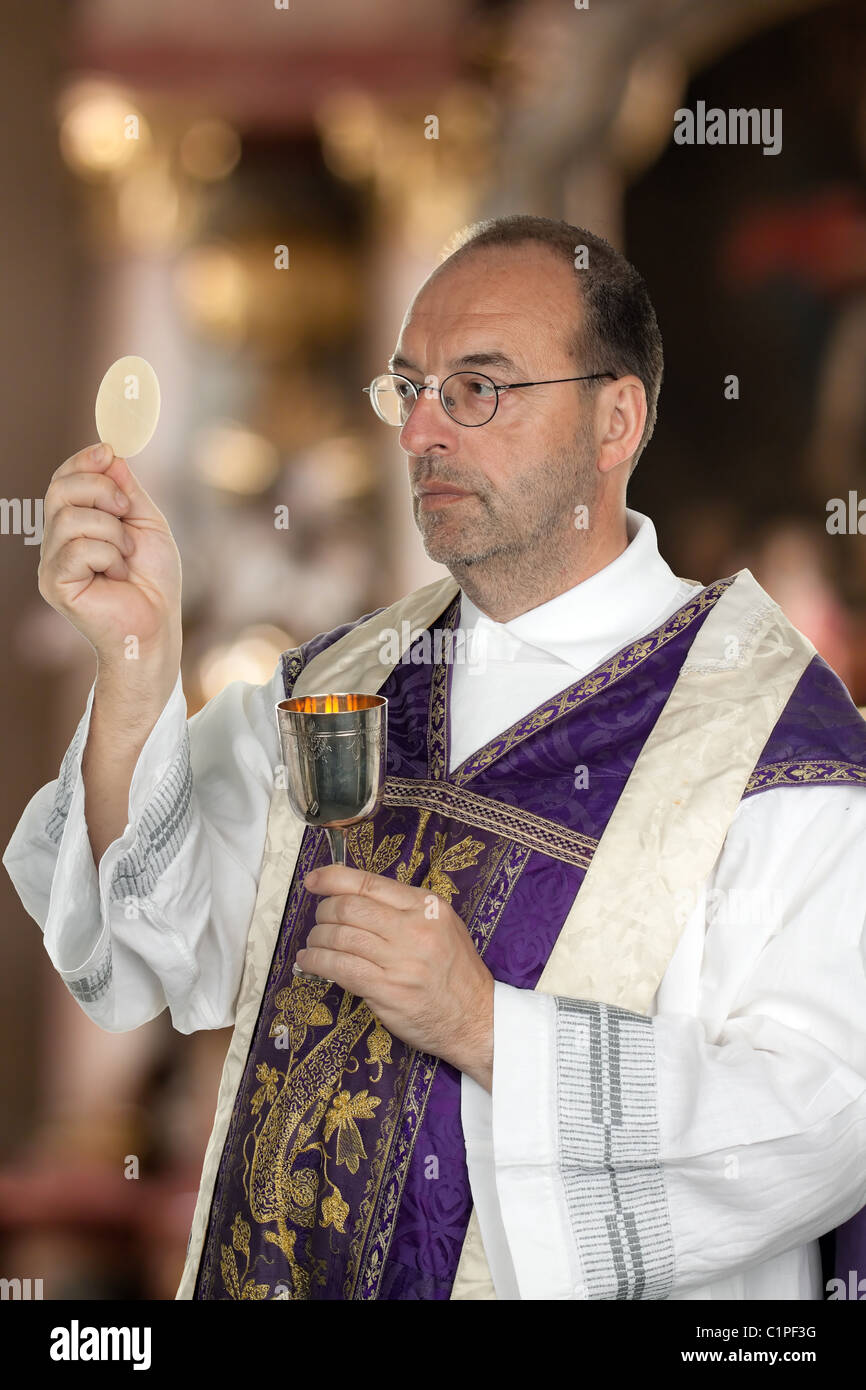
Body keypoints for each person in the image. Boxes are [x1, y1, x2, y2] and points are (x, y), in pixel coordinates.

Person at [5, 214, 866, 1302]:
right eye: (407, 388)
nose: (419, 432)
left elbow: (827, 1119)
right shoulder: (337, 681)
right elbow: (143, 944)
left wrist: (486, 1026)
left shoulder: (771, 747)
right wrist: (137, 659)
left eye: (477, 388)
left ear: (614, 419)